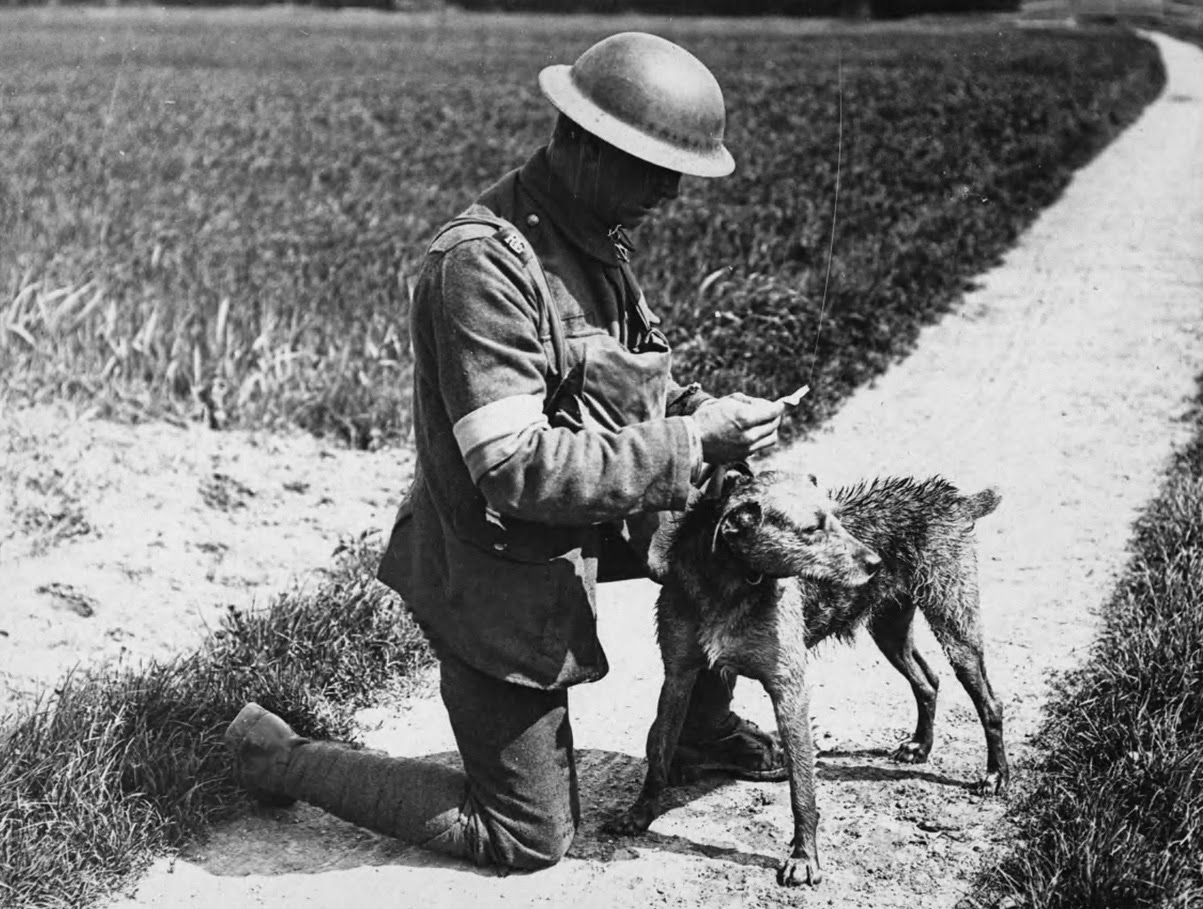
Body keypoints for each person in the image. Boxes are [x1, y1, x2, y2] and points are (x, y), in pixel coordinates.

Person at [225, 31, 792, 872]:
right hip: (497, 555)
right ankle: (276, 755)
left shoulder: (589, 231)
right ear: (580, 144)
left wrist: (704, 416)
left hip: (572, 518)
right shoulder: (483, 264)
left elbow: (618, 387)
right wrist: (683, 442)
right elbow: (515, 468)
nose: (670, 192)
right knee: (526, 837)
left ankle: (700, 730)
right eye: (652, 168)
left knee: (736, 526)